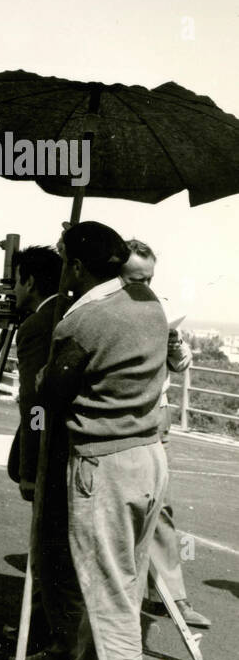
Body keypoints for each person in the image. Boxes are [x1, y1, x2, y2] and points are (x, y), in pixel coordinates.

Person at [32, 221, 168, 660]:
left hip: (106, 465)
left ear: (77, 267)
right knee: (123, 588)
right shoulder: (148, 300)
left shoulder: (83, 320)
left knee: (108, 596)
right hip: (150, 460)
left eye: (66, 260)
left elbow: (52, 395)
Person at [122, 239, 210, 629]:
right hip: (121, 423)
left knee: (162, 509)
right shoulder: (111, 313)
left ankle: (170, 597)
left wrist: (173, 342)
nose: (145, 286)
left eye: (150, 279)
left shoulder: (156, 311)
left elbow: (182, 363)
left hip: (156, 421)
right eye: (135, 278)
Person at [10, 244, 82, 660]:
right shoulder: (65, 310)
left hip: (51, 455)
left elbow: (35, 401)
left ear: (31, 282)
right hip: (72, 451)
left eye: (17, 280)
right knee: (55, 548)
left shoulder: (40, 324)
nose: (12, 288)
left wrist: (32, 464)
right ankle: (45, 630)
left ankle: (52, 640)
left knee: (49, 547)